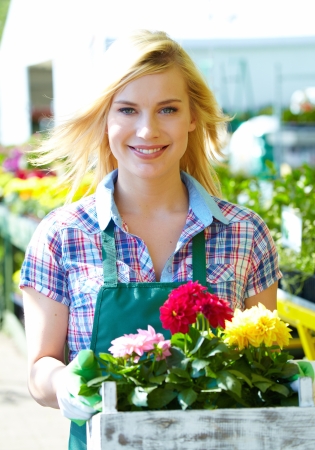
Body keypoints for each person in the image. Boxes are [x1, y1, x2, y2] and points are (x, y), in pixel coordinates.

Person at [20, 30, 282, 449]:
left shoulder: (244, 233)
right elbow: (39, 370)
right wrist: (61, 381)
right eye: (127, 109)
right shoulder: (61, 235)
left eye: (168, 109)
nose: (147, 130)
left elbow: (266, 363)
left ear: (192, 117)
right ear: (105, 118)